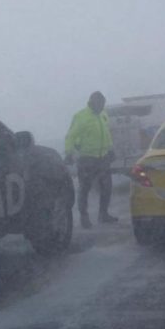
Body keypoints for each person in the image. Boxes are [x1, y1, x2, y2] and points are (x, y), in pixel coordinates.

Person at [65, 91, 118, 229]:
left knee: (106, 187)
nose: (101, 107)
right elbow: (70, 136)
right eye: (99, 104)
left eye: (103, 104)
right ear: (92, 103)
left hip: (103, 157)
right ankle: (84, 217)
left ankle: (103, 214)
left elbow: (106, 133)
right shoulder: (81, 117)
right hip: (87, 158)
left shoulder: (103, 115)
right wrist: (69, 153)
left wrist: (111, 149)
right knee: (85, 189)